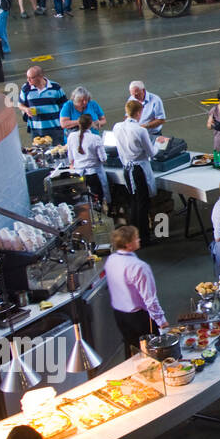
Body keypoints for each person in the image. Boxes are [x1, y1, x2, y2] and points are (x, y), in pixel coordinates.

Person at [103, 225, 168, 351]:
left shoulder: (111, 259)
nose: (139, 240)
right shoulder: (139, 267)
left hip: (120, 315)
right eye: (136, 238)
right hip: (139, 318)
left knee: (132, 348)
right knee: (152, 351)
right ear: (128, 244)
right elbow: (149, 299)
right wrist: (161, 320)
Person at [113, 100, 157, 242]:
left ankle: (133, 235)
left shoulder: (117, 127)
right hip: (139, 169)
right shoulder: (140, 130)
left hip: (127, 168)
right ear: (139, 113)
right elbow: (151, 153)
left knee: (132, 201)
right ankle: (143, 236)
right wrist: (158, 145)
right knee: (142, 203)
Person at [19, 67, 68, 145]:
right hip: (36, 130)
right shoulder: (26, 88)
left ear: (40, 76)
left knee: (58, 150)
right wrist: (26, 109)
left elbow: (65, 106)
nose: (28, 80)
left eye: (31, 78)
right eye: (27, 77)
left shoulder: (55, 87)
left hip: (55, 128)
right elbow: (20, 104)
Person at [67, 114, 109, 203]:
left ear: (78, 123)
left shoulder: (71, 136)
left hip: (79, 175)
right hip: (94, 174)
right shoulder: (95, 138)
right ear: (90, 124)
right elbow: (103, 158)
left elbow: (70, 157)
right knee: (97, 200)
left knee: (84, 202)